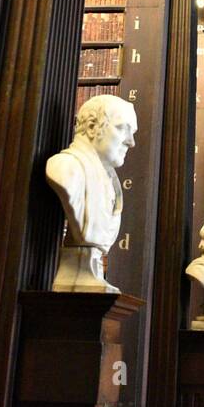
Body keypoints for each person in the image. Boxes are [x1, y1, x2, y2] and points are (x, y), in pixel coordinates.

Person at [45, 94, 137, 292]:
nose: (131, 142)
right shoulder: (65, 169)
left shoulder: (110, 182)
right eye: (123, 129)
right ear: (92, 126)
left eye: (133, 133)